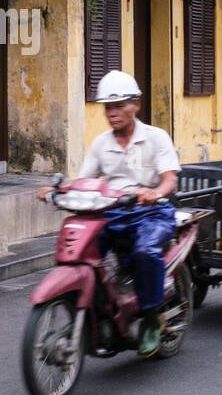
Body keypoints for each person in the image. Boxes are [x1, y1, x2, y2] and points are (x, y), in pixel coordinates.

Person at [37, 70, 181, 357]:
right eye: (107, 108)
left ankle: (152, 317)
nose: (112, 113)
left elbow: (170, 179)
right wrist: (59, 189)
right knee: (80, 249)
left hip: (150, 212)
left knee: (145, 251)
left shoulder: (155, 138)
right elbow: (84, 180)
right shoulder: (101, 144)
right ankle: (100, 303)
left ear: (135, 105)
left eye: (118, 106)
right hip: (112, 213)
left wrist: (155, 192)